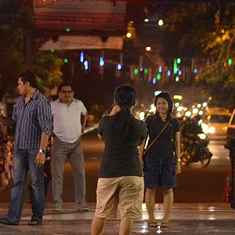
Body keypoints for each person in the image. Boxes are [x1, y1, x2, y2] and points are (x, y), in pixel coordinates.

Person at [0, 72, 52, 226]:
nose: (18, 87)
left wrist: (42, 151)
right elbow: (13, 123)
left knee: (36, 184)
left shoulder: (41, 102)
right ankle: (13, 217)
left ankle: (37, 217)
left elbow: (46, 129)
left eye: (19, 83)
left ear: (27, 84)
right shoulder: (20, 101)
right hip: (20, 148)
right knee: (17, 182)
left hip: (34, 149)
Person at [90, 85, 147, 235]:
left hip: (108, 172)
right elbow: (140, 143)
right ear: (134, 103)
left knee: (101, 213)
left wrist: (113, 111)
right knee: (127, 215)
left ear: (115, 101)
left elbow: (101, 137)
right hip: (132, 173)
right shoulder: (140, 125)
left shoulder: (106, 122)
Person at [140, 91, 181, 228]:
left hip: (169, 158)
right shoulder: (150, 120)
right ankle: (151, 218)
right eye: (158, 103)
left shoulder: (174, 122)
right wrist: (140, 157)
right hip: (151, 158)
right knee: (150, 188)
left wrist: (178, 161)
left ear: (169, 105)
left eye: (164, 103)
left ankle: (166, 218)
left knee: (167, 189)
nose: (161, 106)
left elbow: (176, 142)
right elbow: (143, 140)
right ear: (155, 105)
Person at [50, 82, 89, 212]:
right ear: (59, 93)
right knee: (57, 174)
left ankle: (81, 204)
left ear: (73, 93)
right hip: (59, 143)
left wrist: (83, 127)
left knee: (80, 173)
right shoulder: (53, 106)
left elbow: (85, 113)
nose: (67, 94)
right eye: (64, 92)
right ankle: (57, 204)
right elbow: (46, 119)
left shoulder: (79, 104)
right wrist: (50, 131)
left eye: (70, 92)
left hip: (76, 143)